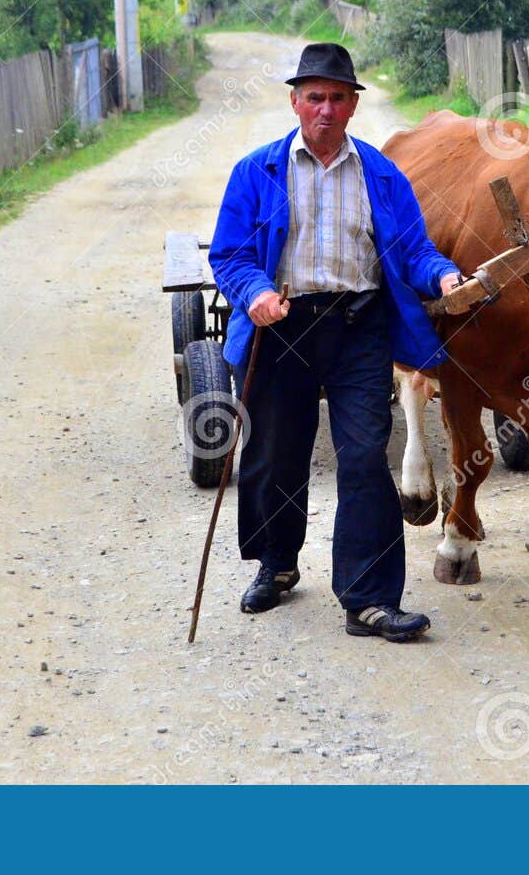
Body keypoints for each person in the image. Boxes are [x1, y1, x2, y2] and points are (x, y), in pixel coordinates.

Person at [208, 43, 461, 643]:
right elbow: (231, 254)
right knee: (276, 454)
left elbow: (415, 249)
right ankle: (278, 563)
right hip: (282, 327)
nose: (325, 108)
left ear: (352, 106)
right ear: (295, 102)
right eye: (314, 96)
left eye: (337, 97)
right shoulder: (257, 171)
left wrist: (444, 273)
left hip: (356, 328)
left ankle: (369, 599)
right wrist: (255, 293)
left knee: (363, 458)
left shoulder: (380, 173)